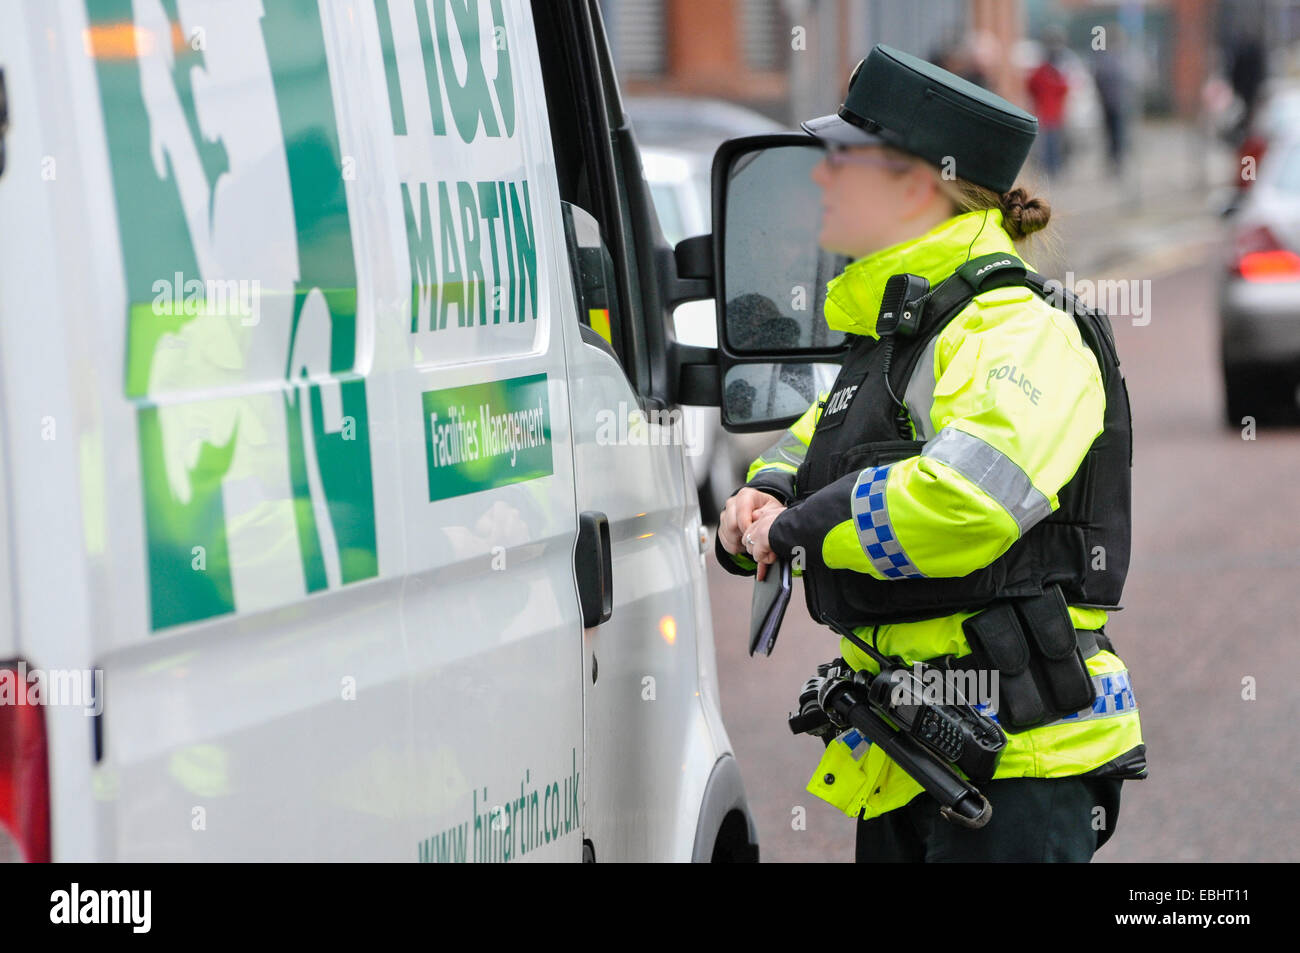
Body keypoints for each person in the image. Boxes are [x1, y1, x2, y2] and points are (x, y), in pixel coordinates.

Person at [715, 45, 1146, 862]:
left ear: (916, 182)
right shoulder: (903, 332)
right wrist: (766, 492)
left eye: (840, 159)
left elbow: (966, 501)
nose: (818, 179)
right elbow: (820, 441)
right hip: (911, 756)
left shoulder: (1017, 331)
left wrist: (799, 528)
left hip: (1018, 768)